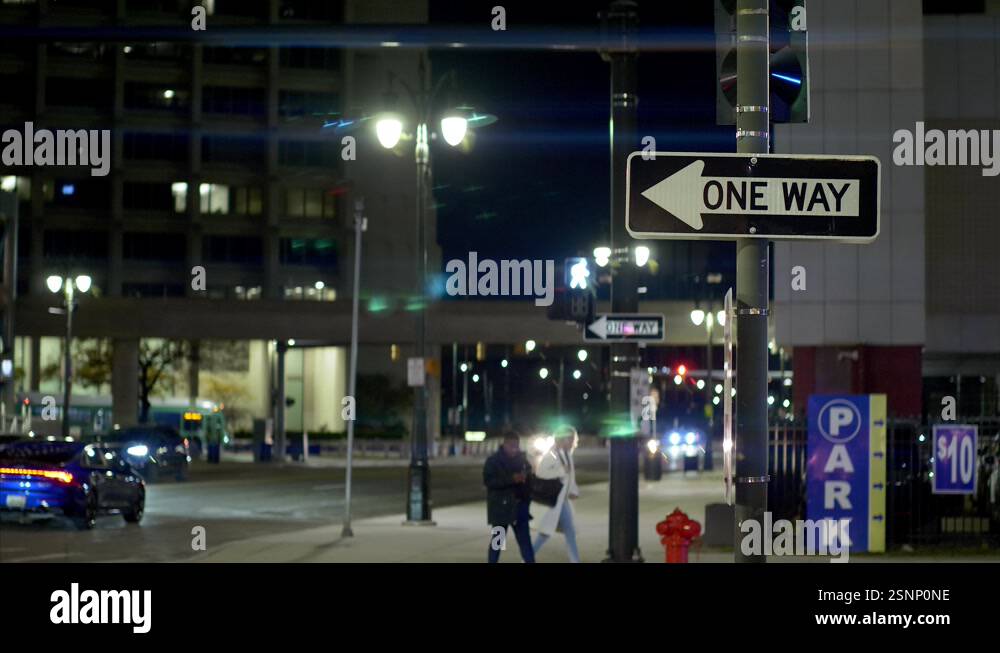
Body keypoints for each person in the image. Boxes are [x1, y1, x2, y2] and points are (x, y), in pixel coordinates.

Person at [483, 431, 535, 563]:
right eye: (511, 446)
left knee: (525, 542)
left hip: (520, 508)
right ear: (504, 444)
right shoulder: (493, 461)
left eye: (516, 446)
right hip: (501, 509)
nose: (514, 449)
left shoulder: (522, 460)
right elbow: (489, 482)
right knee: (498, 542)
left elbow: (530, 480)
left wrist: (527, 497)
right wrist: (512, 479)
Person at [532, 425, 580, 563]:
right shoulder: (552, 454)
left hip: (562, 501)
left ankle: (575, 560)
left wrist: (573, 491)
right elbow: (541, 473)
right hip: (553, 501)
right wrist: (560, 470)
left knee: (569, 532)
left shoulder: (567, 455)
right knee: (545, 533)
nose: (572, 442)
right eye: (569, 439)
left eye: (573, 438)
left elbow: (570, 477)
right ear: (561, 439)